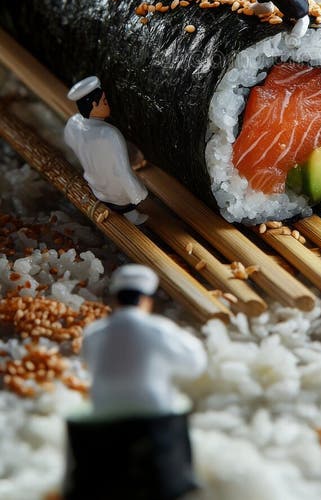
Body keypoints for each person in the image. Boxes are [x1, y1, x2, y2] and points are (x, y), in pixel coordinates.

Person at [64, 264, 206, 499]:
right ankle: (178, 480)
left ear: (115, 300)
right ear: (147, 301)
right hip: (154, 415)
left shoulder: (95, 332)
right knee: (178, 404)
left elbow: (90, 363)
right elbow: (195, 364)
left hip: (103, 415)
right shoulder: (159, 329)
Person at [64, 75, 148, 225]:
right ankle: (133, 217)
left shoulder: (73, 124)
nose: (108, 105)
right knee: (127, 196)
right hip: (116, 194)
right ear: (94, 106)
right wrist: (137, 193)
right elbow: (121, 170)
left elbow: (68, 141)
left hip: (95, 187)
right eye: (104, 102)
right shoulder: (110, 134)